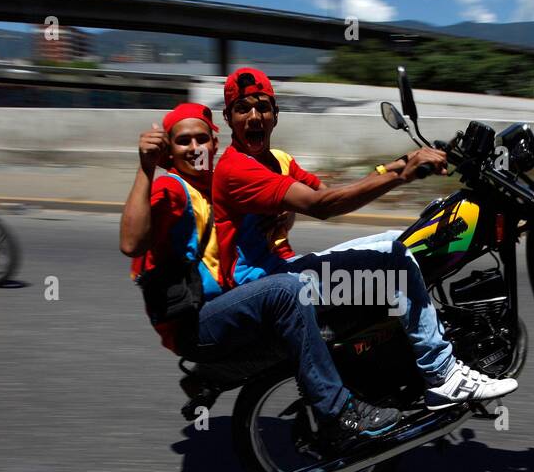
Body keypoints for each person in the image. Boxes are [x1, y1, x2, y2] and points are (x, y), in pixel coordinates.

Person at [210, 67, 517, 410]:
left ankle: (405, 350)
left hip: (281, 269)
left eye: (263, 107)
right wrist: (402, 170)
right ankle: (443, 374)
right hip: (265, 287)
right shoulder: (237, 167)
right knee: (393, 265)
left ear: (275, 114)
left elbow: (327, 193)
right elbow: (324, 207)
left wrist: (397, 166)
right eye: (243, 109)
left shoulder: (274, 161)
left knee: (395, 242)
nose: (255, 117)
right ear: (228, 117)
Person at [121, 102, 399, 452]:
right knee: (288, 291)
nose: (195, 149)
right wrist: (146, 169)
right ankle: (337, 414)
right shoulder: (173, 189)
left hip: (230, 304)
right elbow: (131, 243)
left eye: (202, 139)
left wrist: (283, 216)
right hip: (195, 321)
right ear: (169, 150)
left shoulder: (222, 182)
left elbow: (307, 198)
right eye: (183, 142)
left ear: (215, 143)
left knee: (340, 286)